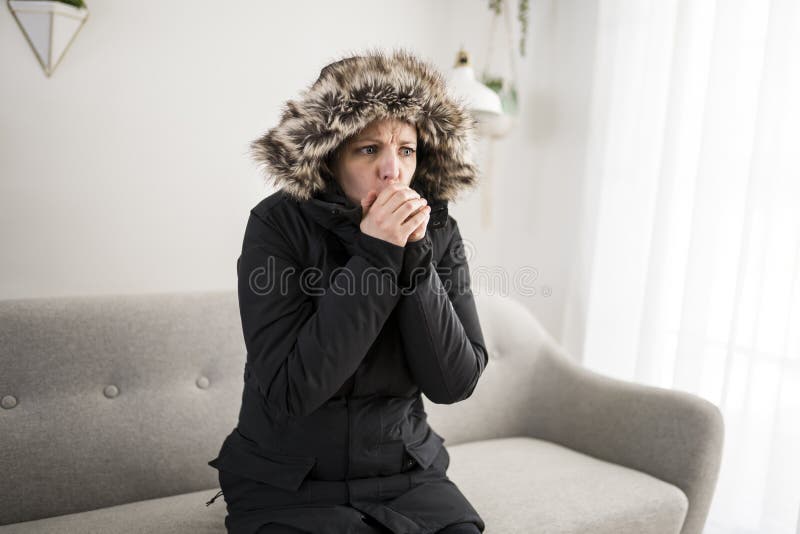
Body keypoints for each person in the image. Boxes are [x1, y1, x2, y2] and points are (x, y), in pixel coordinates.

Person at [206, 47, 489, 534]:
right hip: (288, 482)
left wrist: (414, 257)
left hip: (406, 476)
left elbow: (454, 382)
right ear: (330, 155)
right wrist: (378, 255)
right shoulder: (276, 225)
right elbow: (294, 390)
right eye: (368, 149)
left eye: (406, 150)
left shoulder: (438, 229)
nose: (392, 171)